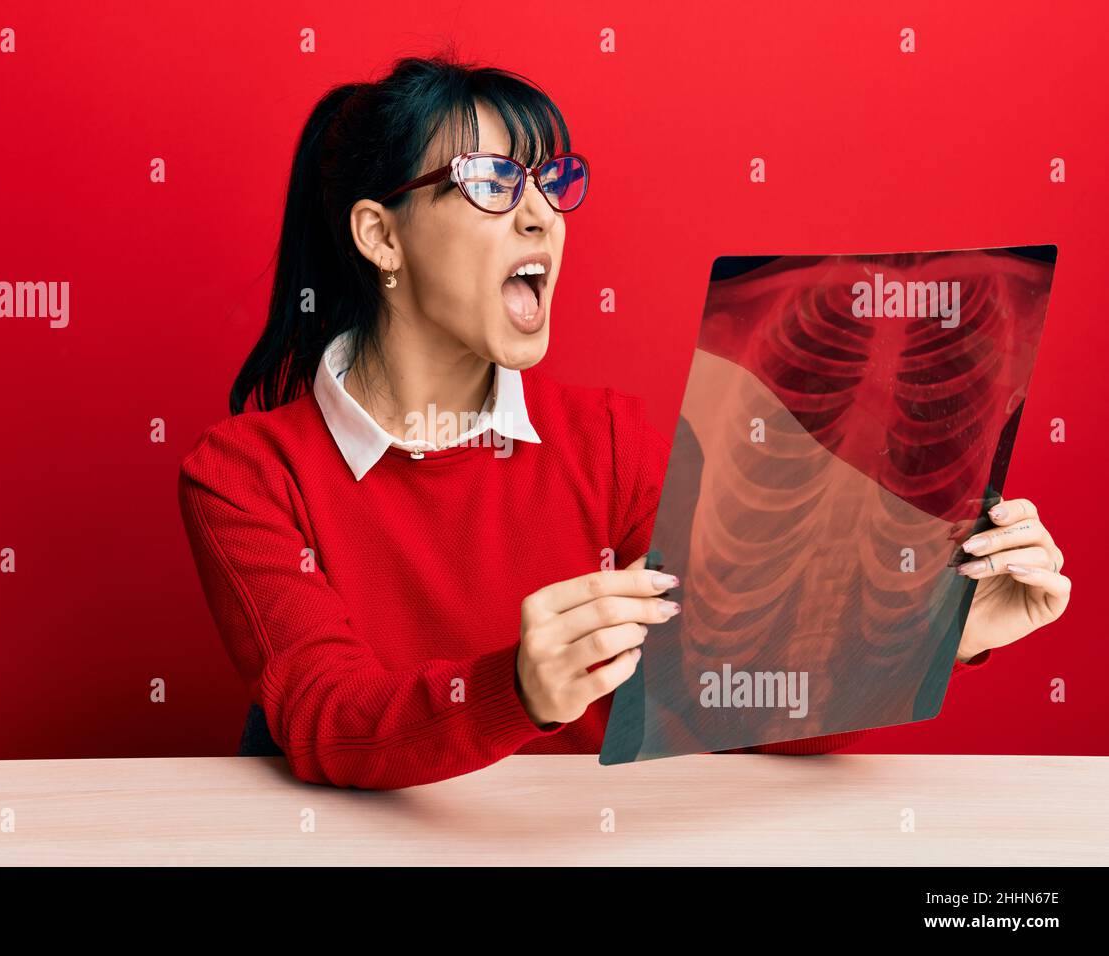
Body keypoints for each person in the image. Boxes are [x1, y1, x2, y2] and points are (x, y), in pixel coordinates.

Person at [178, 54, 1070, 789]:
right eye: (491, 182)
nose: (541, 215)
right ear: (381, 236)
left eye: (551, 182)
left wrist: (941, 634)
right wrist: (514, 690)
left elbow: (741, 692)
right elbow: (328, 721)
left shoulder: (604, 443)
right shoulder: (244, 473)